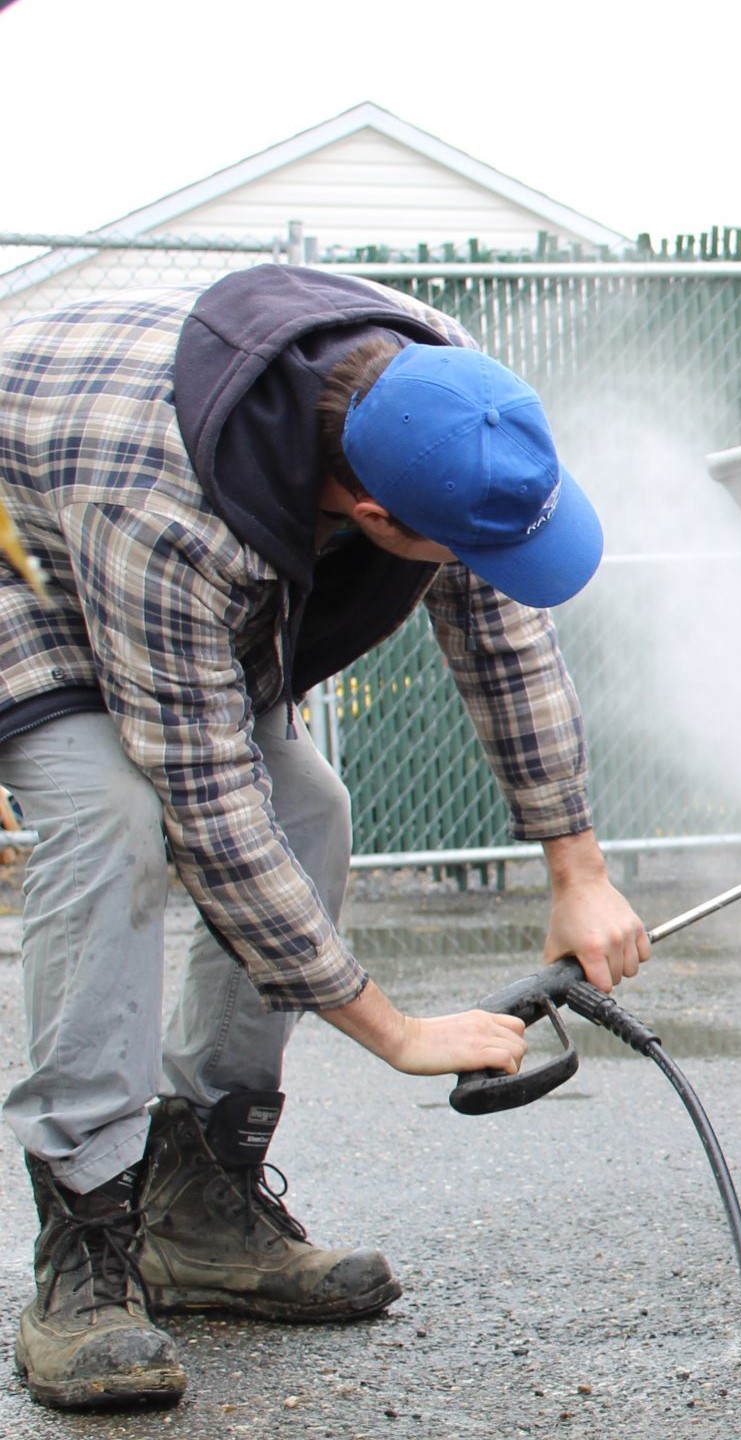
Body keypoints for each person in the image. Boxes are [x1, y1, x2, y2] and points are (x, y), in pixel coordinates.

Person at [0, 265, 651, 1410]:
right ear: (375, 520)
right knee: (113, 822)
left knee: (312, 807)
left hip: (173, 521)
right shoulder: (160, 509)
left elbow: (502, 640)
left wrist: (578, 870)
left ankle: (200, 1201)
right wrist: (393, 1030)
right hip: (35, 541)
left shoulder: (448, 400)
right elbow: (201, 802)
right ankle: (87, 1237)